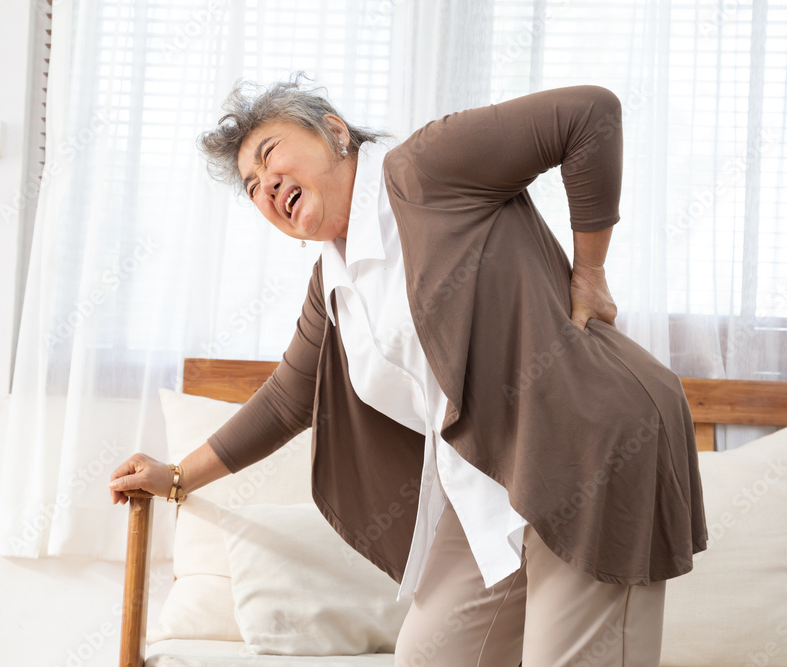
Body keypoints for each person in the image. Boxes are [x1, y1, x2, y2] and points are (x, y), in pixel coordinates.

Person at [109, 75, 708, 666]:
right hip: (490, 473)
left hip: (588, 442)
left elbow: (588, 114)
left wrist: (590, 271)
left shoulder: (424, 169)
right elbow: (290, 398)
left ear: (336, 133)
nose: (265, 186)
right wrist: (179, 476)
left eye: (270, 156)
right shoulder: (333, 284)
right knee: (430, 655)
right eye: (251, 187)